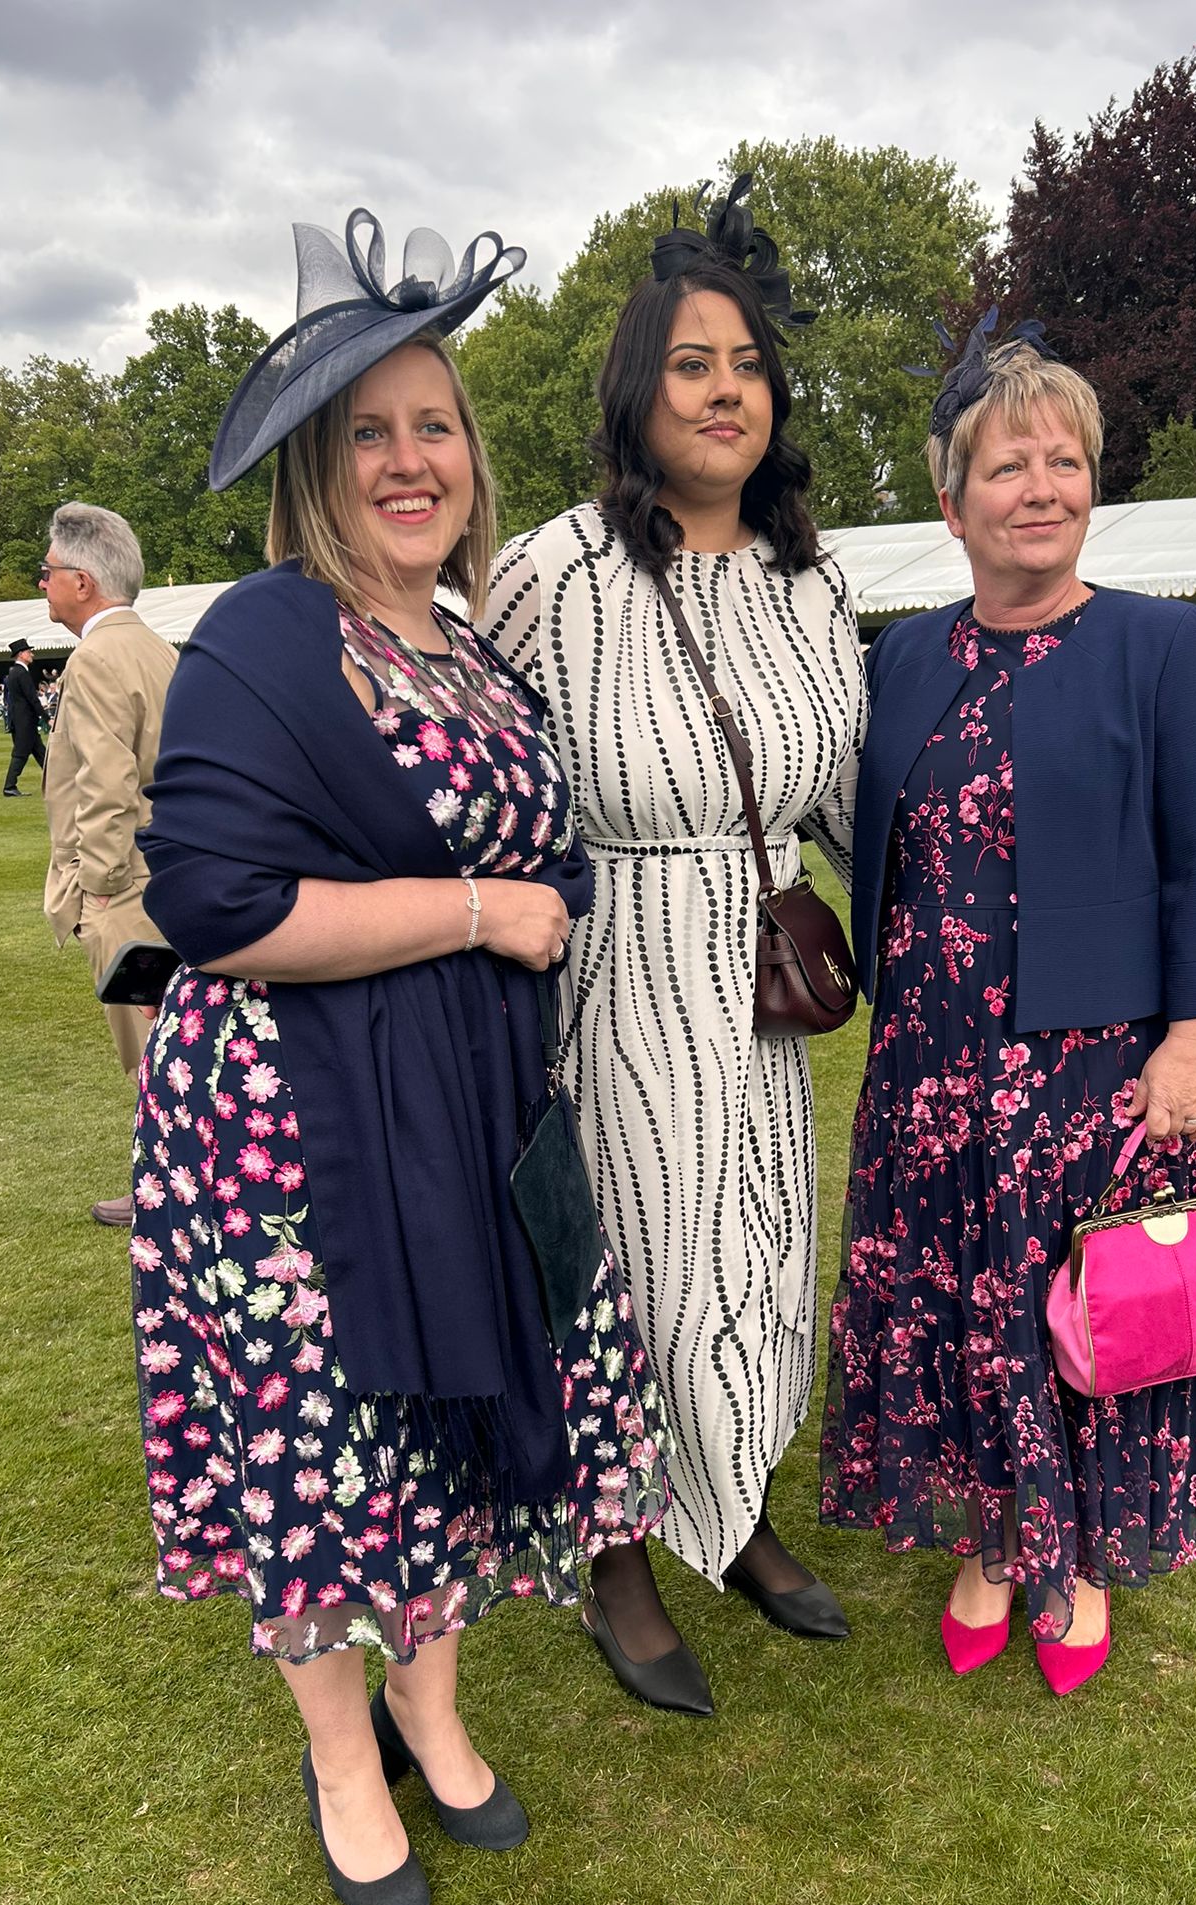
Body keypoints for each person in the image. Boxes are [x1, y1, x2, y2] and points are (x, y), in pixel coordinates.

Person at [131, 207, 671, 1905]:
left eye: (435, 423)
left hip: (465, 1103)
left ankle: (430, 1712)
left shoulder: (470, 645)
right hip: (298, 1134)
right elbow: (214, 906)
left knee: (437, 1435)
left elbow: (549, 866)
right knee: (326, 1442)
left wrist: (530, 909)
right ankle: (341, 1758)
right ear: (315, 468)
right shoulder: (267, 635)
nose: (408, 458)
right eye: (367, 431)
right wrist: (481, 911)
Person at [819, 317, 1196, 1694]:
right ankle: (996, 1542)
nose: (1041, 487)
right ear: (952, 502)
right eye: (1008, 465)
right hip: (930, 1058)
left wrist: (1195, 1038)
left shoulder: (1163, 646)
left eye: (1065, 461)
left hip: (1092, 1062)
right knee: (958, 1301)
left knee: (1077, 1305)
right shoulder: (901, 659)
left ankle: (1077, 1556)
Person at [481, 173, 866, 1714]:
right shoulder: (555, 573)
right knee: (642, 1267)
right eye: (693, 364)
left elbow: (847, 788)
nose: (725, 391)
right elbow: (474, 766)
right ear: (639, 392)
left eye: (748, 365)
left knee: (761, 1248)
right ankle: (620, 1552)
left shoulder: (811, 578)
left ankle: (740, 1508)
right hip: (620, 966)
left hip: (763, 972)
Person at [39, 503, 178, 1223]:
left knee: (148, 1051)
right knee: (173, 1041)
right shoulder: (158, 649)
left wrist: (99, 888)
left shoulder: (95, 658)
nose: (43, 584)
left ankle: (167, 1187)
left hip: (128, 887)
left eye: (47, 572)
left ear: (83, 581)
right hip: (169, 874)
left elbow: (105, 785)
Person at [1, 638, 47, 794]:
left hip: (21, 720)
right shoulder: (21, 673)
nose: (32, 654)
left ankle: (56, 781)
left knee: (41, 753)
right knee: (20, 754)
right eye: (29, 652)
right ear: (21, 654)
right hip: (24, 721)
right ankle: (9, 786)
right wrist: (47, 717)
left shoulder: (13, 672)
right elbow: (32, 698)